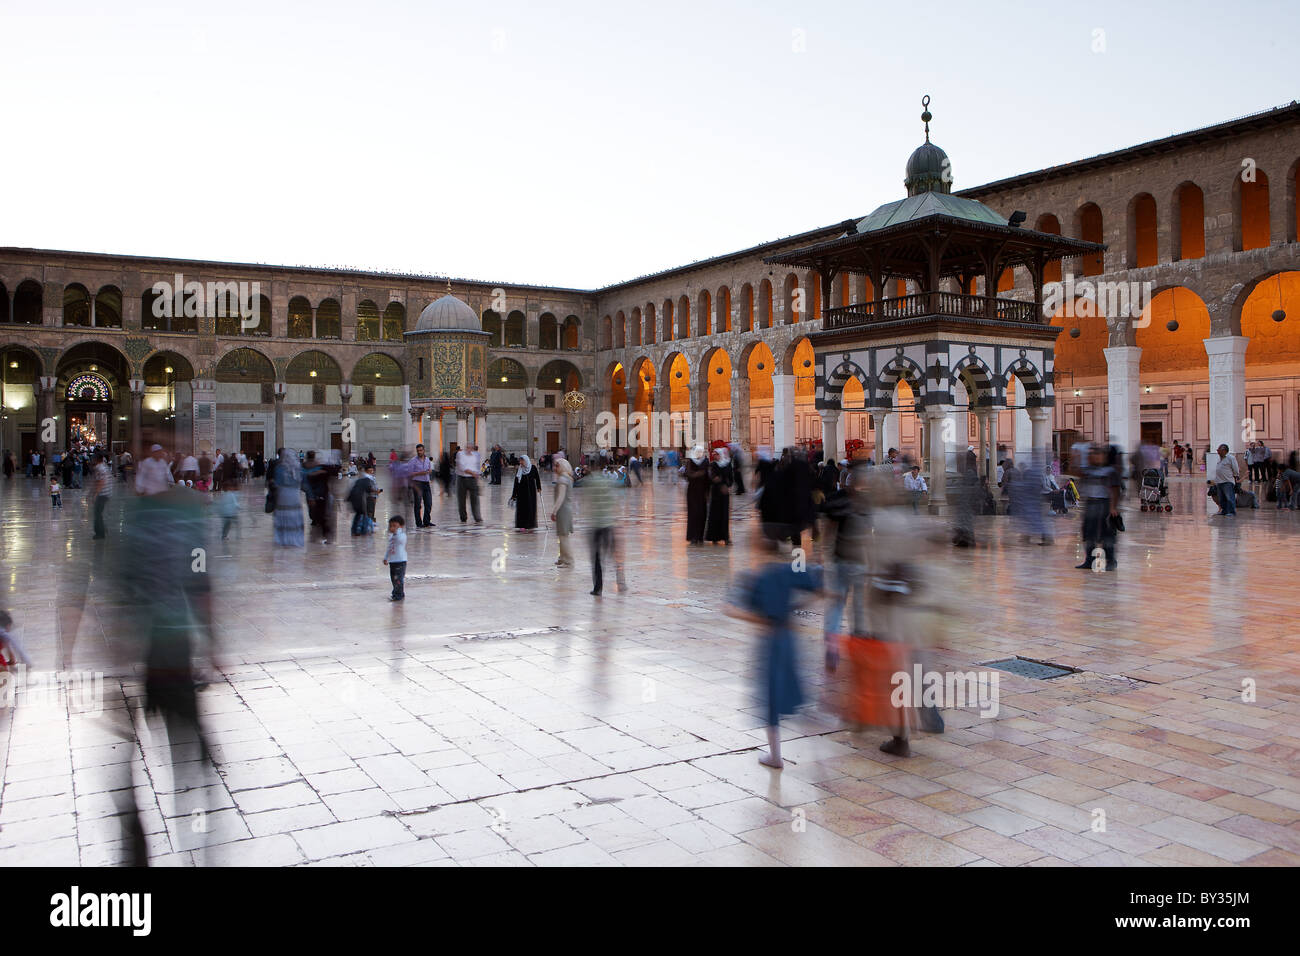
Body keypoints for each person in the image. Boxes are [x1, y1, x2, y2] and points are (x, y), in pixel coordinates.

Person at [726, 536, 823, 769]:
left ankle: (775, 755)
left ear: (758, 550)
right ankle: (814, 741)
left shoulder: (755, 577)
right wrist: (796, 608)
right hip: (789, 638)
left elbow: (730, 609)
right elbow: (819, 585)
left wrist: (761, 619)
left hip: (769, 641)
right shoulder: (789, 571)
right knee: (794, 687)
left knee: (770, 696)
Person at [1076, 443, 1121, 571]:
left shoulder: (1110, 471)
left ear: (1103, 456)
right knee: (1088, 532)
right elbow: (1076, 473)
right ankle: (1090, 560)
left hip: (1104, 504)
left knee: (1106, 534)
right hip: (1090, 503)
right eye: (1090, 454)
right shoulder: (1088, 470)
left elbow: (1115, 490)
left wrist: (1113, 507)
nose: (1092, 457)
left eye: (1095, 454)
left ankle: (1110, 560)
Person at [585, 456, 624, 595]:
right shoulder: (608, 481)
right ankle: (621, 582)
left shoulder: (592, 482)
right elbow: (616, 494)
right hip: (609, 523)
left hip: (597, 524)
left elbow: (588, 502)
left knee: (597, 558)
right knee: (614, 555)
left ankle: (598, 588)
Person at [270, 448, 305, 547]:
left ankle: (283, 539)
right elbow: (302, 482)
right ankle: (295, 539)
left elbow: (277, 482)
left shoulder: (280, 468)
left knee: (283, 516)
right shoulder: (298, 468)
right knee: (294, 517)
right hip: (295, 496)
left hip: (283, 495)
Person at [705, 446, 733, 545]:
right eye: (714, 454)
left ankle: (726, 538)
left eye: (716, 454)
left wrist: (728, 486)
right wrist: (717, 482)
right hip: (716, 493)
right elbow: (711, 478)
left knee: (724, 516)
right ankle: (714, 537)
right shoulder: (712, 465)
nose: (714, 456)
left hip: (724, 494)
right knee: (715, 515)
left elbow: (731, 478)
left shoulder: (727, 464)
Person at [550, 457, 575, 567]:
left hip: (563, 510)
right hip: (566, 509)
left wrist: (554, 511)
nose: (555, 468)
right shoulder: (567, 478)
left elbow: (560, 497)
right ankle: (562, 558)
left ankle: (568, 561)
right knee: (562, 535)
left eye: (557, 465)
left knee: (563, 536)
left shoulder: (562, 480)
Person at [509, 454, 541, 531]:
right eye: (520, 461)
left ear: (526, 460)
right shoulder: (519, 470)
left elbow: (537, 478)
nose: (520, 462)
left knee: (530, 507)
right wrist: (514, 495)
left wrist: (539, 487)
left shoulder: (533, 468)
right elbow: (516, 483)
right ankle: (522, 525)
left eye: (522, 460)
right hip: (521, 493)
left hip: (531, 492)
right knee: (522, 509)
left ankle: (530, 524)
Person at [407, 443, 435, 528]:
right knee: (418, 504)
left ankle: (427, 521)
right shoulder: (413, 461)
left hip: (426, 483)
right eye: (418, 451)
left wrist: (429, 471)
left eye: (421, 450)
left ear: (424, 450)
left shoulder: (427, 460)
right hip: (417, 483)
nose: (419, 452)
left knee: (429, 503)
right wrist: (420, 473)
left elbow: (429, 470)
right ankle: (419, 523)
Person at [455, 443, 483, 524]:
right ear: (466, 447)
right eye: (468, 447)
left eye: (471, 448)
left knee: (475, 499)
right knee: (461, 499)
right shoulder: (460, 454)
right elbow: (462, 466)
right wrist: (473, 473)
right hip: (462, 478)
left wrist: (477, 475)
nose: (469, 449)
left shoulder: (475, 455)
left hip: (472, 479)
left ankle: (477, 517)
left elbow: (477, 466)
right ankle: (463, 517)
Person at [383, 515, 407, 601]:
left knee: (398, 579)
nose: (392, 528)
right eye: (390, 526)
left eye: (394, 526)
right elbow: (389, 548)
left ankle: (398, 595)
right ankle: (397, 592)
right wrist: (386, 558)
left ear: (400, 527)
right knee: (393, 578)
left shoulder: (402, 536)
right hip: (393, 561)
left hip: (400, 561)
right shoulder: (392, 537)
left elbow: (401, 540)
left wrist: (397, 531)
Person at [1211, 443, 1240, 517]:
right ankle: (1224, 511)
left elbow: (1235, 469)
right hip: (1219, 481)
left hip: (1227, 481)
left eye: (1219, 450)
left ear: (1224, 450)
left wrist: (1236, 476)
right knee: (1222, 498)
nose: (1217, 452)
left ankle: (1231, 511)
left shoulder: (1231, 458)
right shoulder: (1219, 458)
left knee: (1229, 497)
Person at [91, 452, 112, 539]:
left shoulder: (99, 468)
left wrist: (95, 494)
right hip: (106, 492)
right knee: (98, 512)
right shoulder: (104, 466)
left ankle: (100, 532)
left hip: (102, 493)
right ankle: (102, 528)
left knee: (97, 513)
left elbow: (101, 481)